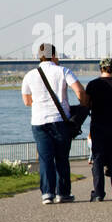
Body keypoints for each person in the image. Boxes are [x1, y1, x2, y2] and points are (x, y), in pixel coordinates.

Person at [22, 42, 87, 205]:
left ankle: (47, 194)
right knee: (62, 158)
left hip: (38, 122)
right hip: (60, 121)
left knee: (45, 158)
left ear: (39, 56)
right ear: (54, 55)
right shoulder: (63, 71)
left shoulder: (30, 75)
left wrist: (40, 103)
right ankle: (63, 193)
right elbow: (79, 91)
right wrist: (82, 105)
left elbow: (27, 101)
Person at [85, 58, 112, 201]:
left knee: (97, 159)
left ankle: (98, 193)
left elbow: (86, 105)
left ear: (101, 69)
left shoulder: (92, 85)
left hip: (97, 126)